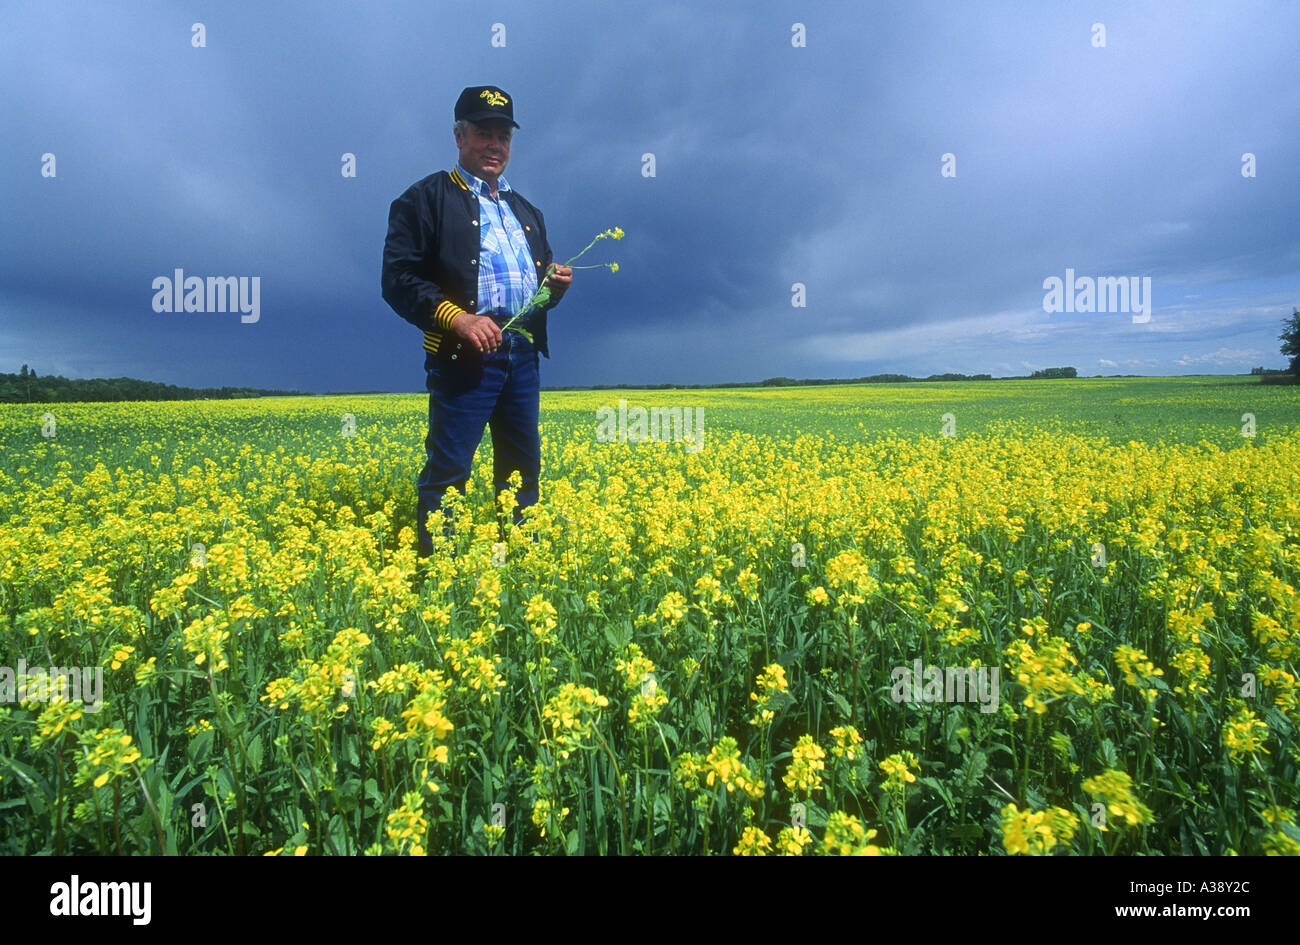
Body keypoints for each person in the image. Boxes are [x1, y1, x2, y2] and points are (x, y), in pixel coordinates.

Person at [381, 85, 572, 568]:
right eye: (484, 133)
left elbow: (536, 285)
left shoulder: (527, 211)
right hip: (462, 354)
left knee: (522, 469)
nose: (495, 145)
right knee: (449, 472)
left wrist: (553, 290)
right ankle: (439, 573)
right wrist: (459, 319)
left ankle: (519, 568)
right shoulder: (425, 199)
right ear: (459, 136)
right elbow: (398, 278)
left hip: (521, 353)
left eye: (503, 136)